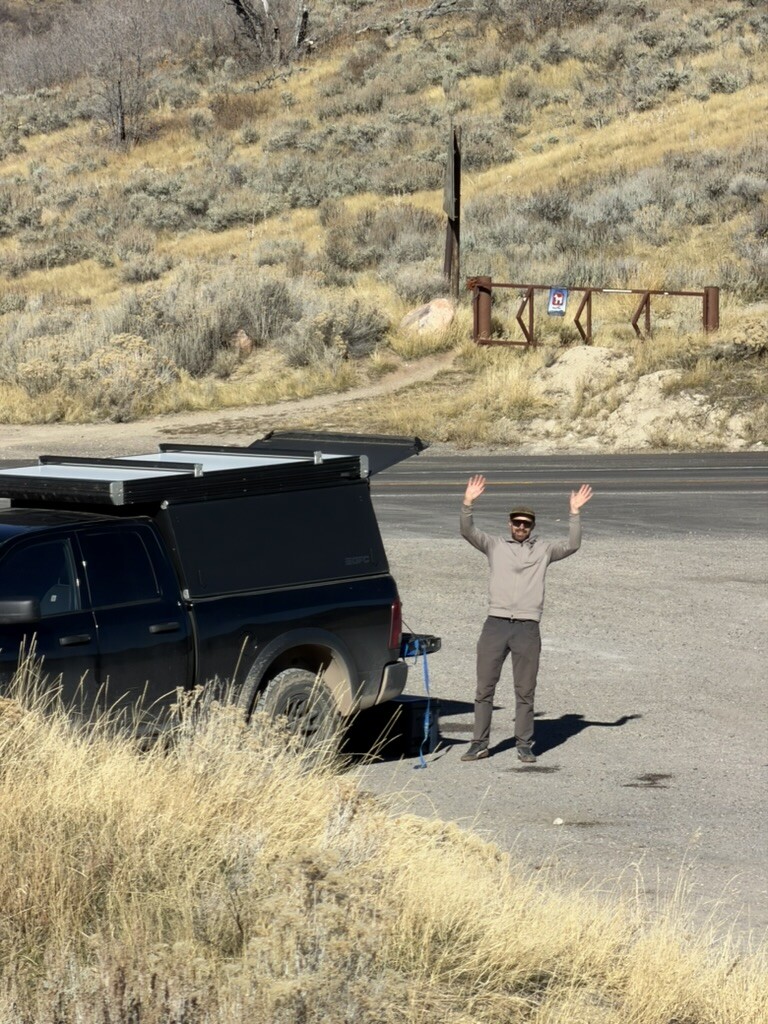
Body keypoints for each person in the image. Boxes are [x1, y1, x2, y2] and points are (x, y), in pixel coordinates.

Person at [459, 475, 593, 763]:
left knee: (525, 691)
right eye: (516, 522)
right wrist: (468, 503)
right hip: (495, 625)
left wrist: (574, 513)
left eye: (526, 524)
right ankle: (479, 743)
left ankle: (523, 744)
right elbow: (468, 531)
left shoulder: (544, 550)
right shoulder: (494, 545)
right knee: (484, 689)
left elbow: (572, 544)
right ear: (509, 523)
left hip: (527, 628)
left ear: (532, 527)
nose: (521, 527)